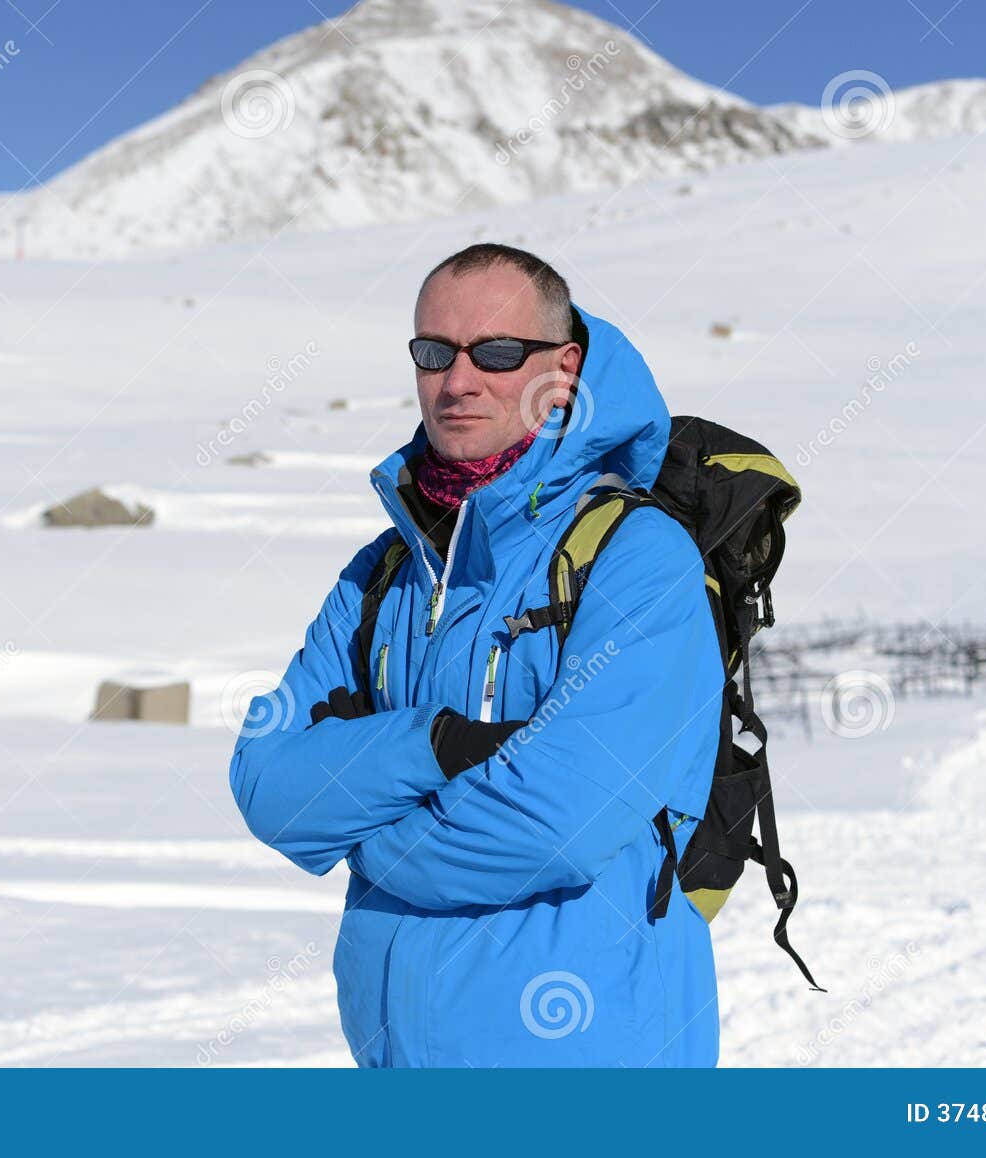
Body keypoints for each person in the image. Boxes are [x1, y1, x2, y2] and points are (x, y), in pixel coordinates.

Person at [229, 243, 724, 1067]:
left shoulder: (637, 557)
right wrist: (433, 744)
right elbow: (269, 789)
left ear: (563, 370)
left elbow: (558, 824)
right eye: (433, 352)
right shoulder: (383, 573)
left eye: (496, 353)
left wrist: (364, 835)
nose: (457, 381)